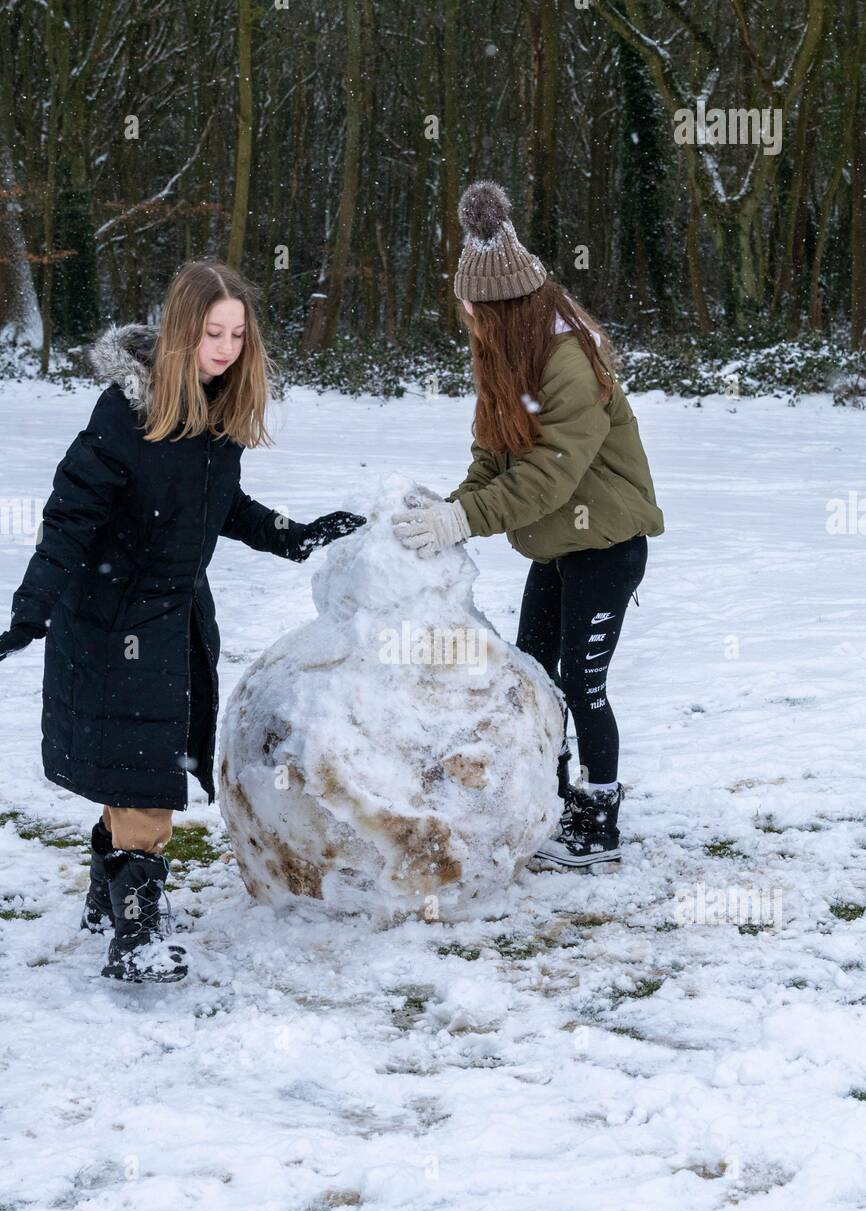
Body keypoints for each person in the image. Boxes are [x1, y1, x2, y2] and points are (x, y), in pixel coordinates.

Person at [0, 260, 366, 981]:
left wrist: (295, 534)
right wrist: (29, 612)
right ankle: (134, 941)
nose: (225, 347)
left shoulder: (213, 413)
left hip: (174, 621)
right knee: (145, 781)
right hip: (113, 622)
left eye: (236, 333)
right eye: (210, 333)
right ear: (179, 332)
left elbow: (218, 505)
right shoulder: (126, 416)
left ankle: (112, 900)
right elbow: (69, 522)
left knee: (137, 769)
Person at [393, 181, 663, 870]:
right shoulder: (505, 359)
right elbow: (494, 456)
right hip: (559, 546)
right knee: (533, 678)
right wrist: (447, 510)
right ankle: (548, 796)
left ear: (501, 307)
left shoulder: (567, 358)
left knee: (582, 683)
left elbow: (549, 475)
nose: (465, 317)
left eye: (472, 307)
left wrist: (466, 520)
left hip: (605, 546)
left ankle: (598, 819)